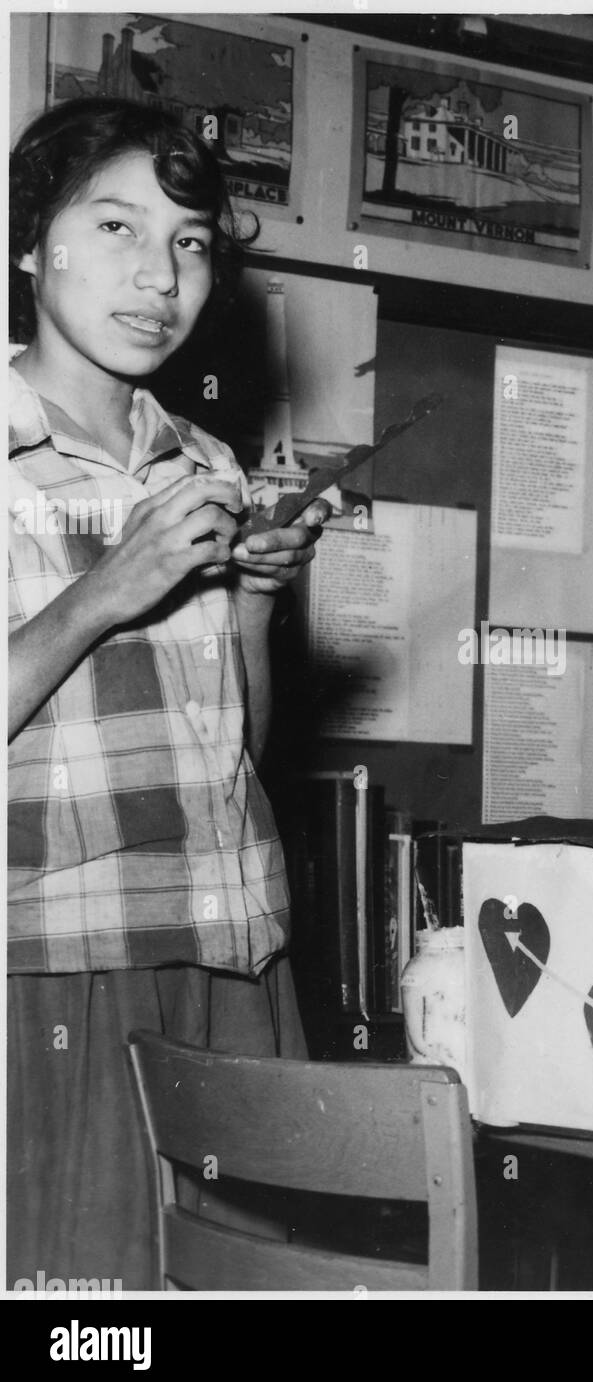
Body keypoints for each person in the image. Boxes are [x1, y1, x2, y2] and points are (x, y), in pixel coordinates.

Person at [7, 97, 332, 1289]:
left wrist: (250, 600)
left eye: (191, 241)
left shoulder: (209, 462)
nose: (159, 274)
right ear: (29, 244)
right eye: (115, 227)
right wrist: (110, 587)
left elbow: (239, 740)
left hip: (235, 950)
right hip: (56, 963)